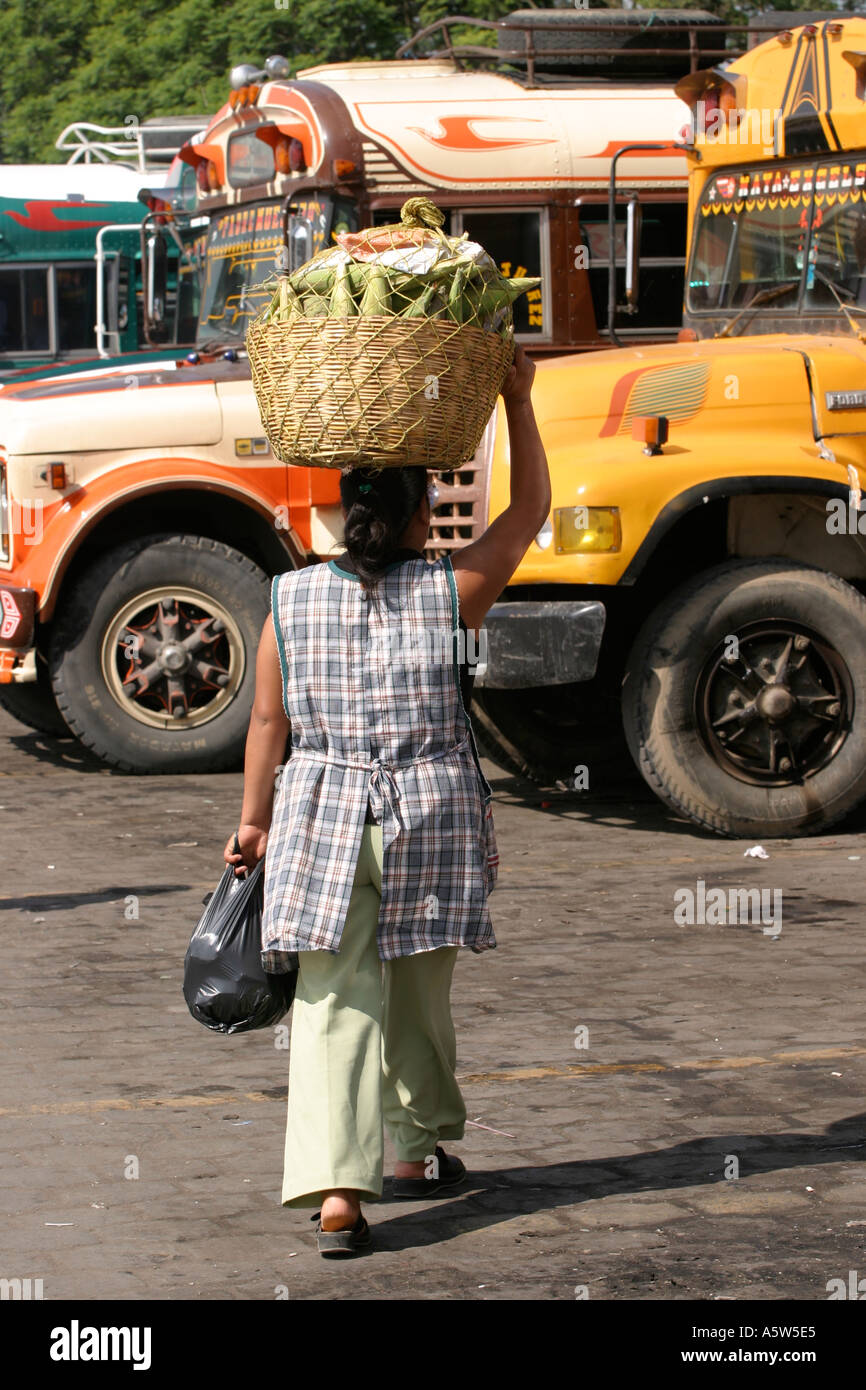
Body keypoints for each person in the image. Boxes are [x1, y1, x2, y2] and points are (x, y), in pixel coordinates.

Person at [224, 343, 550, 1256]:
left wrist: (253, 822)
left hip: (322, 817)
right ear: (422, 519)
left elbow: (264, 727)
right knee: (418, 987)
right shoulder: (452, 592)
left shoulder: (286, 601)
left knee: (333, 1003)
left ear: (341, 517)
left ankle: (338, 1191)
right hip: (430, 816)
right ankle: (416, 1146)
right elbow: (528, 513)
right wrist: (518, 401)